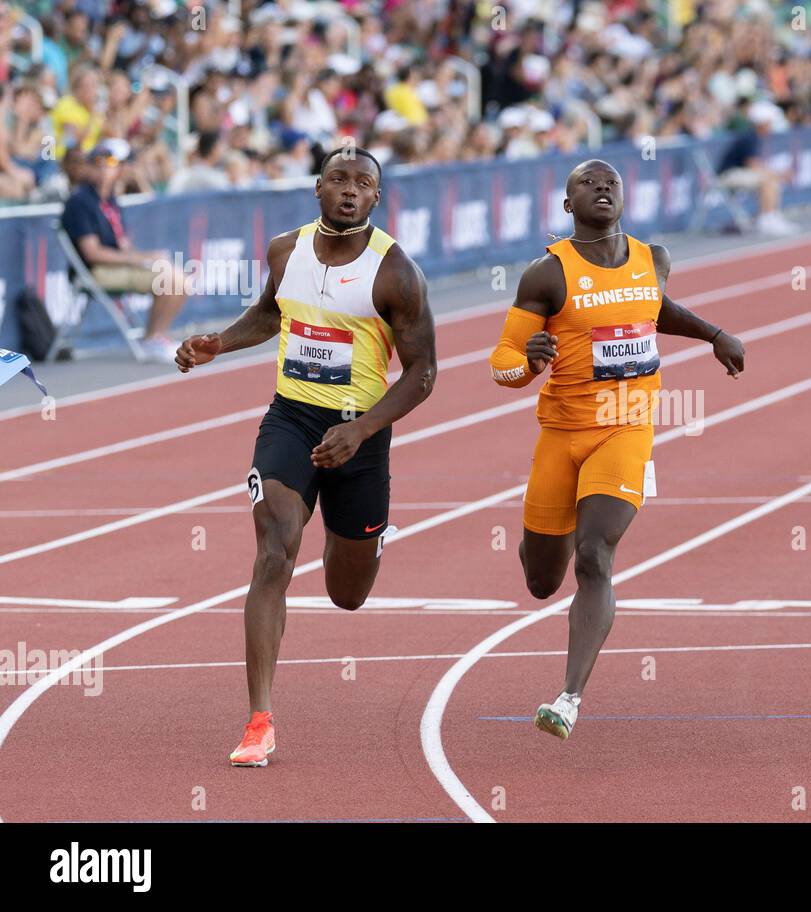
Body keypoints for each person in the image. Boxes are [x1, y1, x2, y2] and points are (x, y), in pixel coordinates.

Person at [173, 147, 437, 767]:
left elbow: (423, 373)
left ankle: (363, 537)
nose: (350, 190)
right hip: (290, 419)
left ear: (376, 198)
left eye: (363, 184)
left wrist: (363, 430)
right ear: (317, 188)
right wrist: (220, 342)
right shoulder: (285, 251)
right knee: (274, 551)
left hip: (360, 434)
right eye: (339, 179)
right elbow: (270, 313)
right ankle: (259, 721)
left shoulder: (396, 272)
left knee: (349, 594)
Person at [488, 159, 745, 740]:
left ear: (624, 197)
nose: (602, 187)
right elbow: (501, 361)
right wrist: (526, 365)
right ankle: (536, 549)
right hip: (560, 433)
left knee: (594, 555)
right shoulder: (547, 275)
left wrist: (713, 334)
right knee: (540, 581)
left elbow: (654, 309)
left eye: (611, 182)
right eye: (587, 182)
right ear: (566, 203)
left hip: (625, 428)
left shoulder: (653, 258)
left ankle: (569, 697)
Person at [59, 144, 185, 362]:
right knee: (172, 281)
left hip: (116, 266)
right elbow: (93, 254)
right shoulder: (79, 202)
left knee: (178, 276)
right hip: (97, 272)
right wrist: (139, 259)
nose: (104, 170)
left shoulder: (109, 199)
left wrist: (147, 258)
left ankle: (156, 336)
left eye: (110, 164)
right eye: (98, 164)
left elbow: (123, 244)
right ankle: (152, 339)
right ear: (88, 168)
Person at [716, 99, 798, 237]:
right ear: (762, 123)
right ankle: (766, 219)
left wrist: (774, 175)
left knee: (769, 179)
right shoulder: (749, 137)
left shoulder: (754, 136)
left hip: (738, 172)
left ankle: (771, 216)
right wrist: (777, 174)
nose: (771, 126)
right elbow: (752, 165)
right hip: (728, 175)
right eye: (769, 122)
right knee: (767, 179)